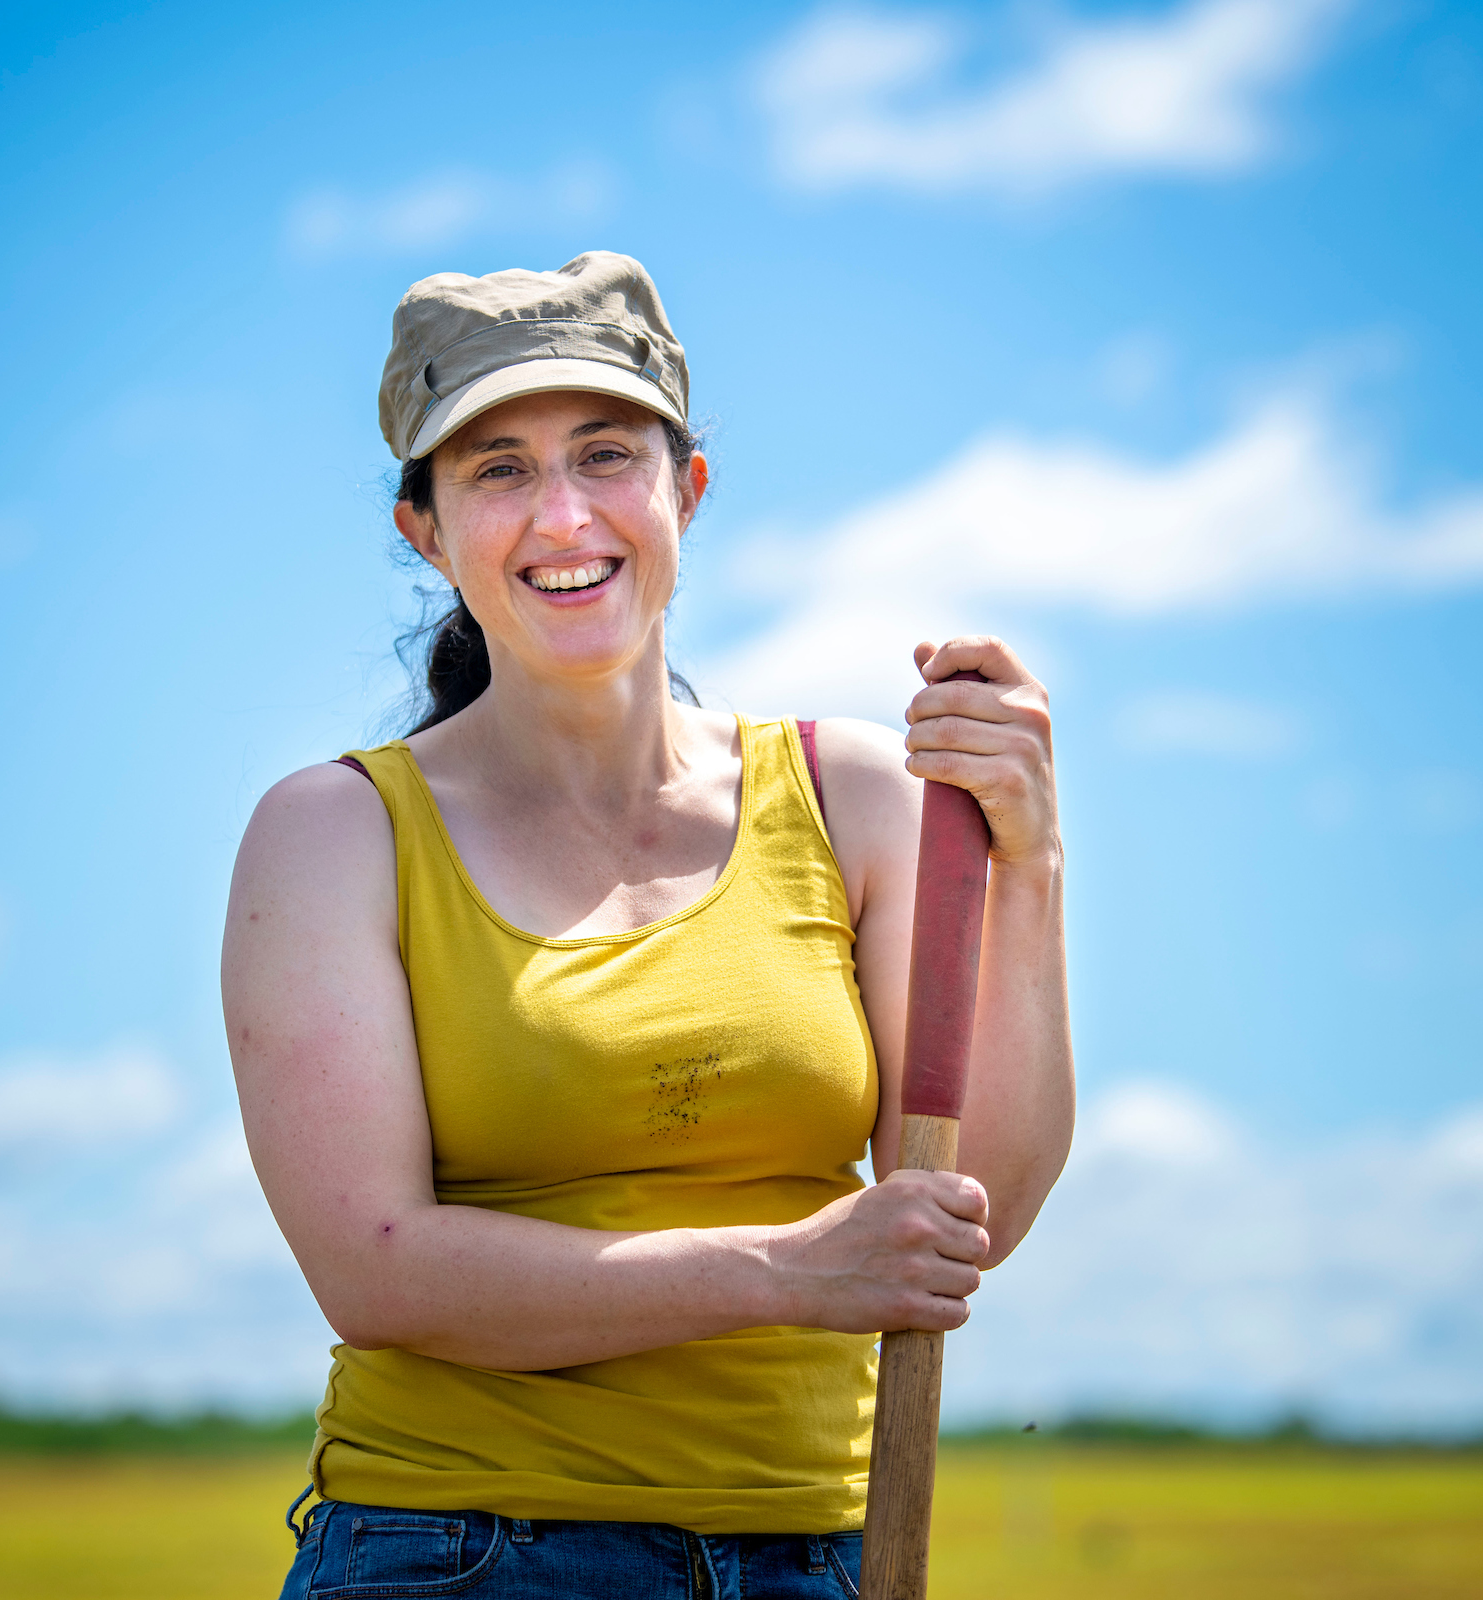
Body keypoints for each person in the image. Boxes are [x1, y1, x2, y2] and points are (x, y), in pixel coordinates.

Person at [222, 252, 1074, 1599]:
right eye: (497, 469)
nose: (563, 515)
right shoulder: (333, 836)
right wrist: (787, 1269)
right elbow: (376, 1271)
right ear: (427, 533)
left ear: (687, 488)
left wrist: (1028, 866)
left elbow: (977, 1209)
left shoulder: (856, 796)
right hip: (460, 1556)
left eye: (606, 455)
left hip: (819, 1557)